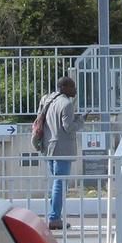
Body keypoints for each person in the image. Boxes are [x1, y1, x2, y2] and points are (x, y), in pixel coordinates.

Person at [42, 75, 84, 230]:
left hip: (48, 147)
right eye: (72, 87)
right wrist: (81, 120)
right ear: (64, 87)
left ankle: (53, 215)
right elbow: (69, 127)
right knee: (60, 183)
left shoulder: (48, 100)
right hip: (63, 149)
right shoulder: (66, 104)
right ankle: (54, 218)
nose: (75, 90)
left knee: (54, 183)